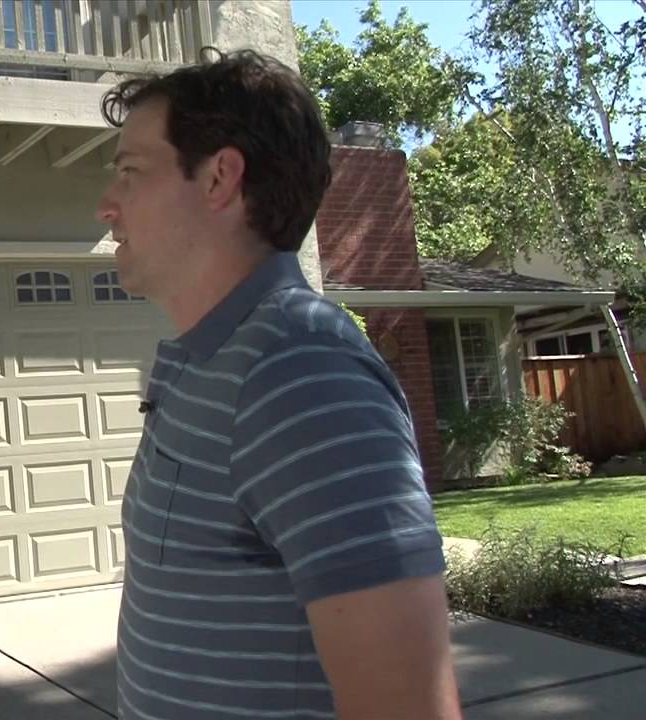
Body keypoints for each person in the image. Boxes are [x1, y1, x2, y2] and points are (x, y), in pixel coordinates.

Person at [96, 49, 462, 720]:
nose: (106, 205)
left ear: (218, 179)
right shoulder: (219, 361)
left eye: (130, 172)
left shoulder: (301, 376)